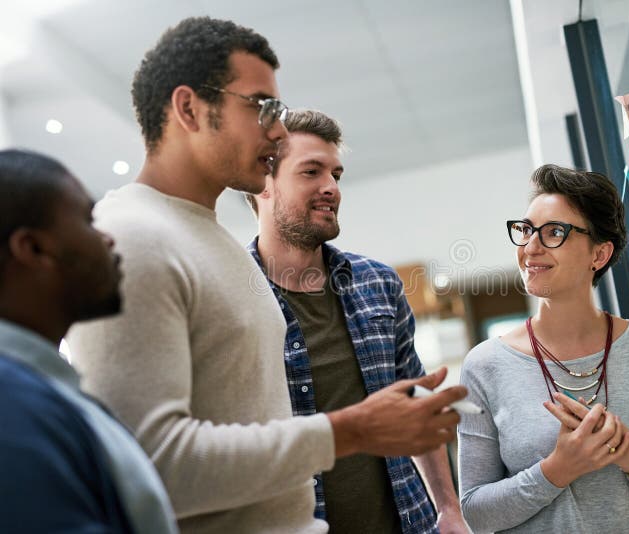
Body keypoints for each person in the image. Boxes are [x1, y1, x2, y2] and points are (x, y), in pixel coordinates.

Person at [67, 17, 466, 533]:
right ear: (189, 108)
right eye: (260, 107)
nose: (276, 130)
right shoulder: (130, 240)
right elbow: (141, 465)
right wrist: (348, 431)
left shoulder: (208, 242)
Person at [245, 108, 470, 533]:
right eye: (311, 172)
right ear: (264, 183)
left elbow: (416, 401)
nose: (331, 187)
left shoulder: (378, 282)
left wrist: (448, 508)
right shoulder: (232, 295)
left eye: (337, 174)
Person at [457, 164, 629, 533]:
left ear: (599, 255)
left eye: (554, 232)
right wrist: (558, 469)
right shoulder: (484, 365)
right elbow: (476, 512)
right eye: (525, 231)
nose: (531, 247)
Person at [0, 149, 177, 533]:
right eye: (87, 220)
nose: (107, 239)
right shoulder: (11, 410)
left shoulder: (43, 391)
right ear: (33, 249)